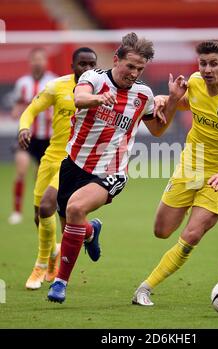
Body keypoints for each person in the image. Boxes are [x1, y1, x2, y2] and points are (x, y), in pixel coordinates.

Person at [46, 32, 183, 303]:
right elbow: (79, 98)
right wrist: (99, 99)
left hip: (111, 171)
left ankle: (60, 283)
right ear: (116, 59)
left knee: (75, 209)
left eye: (140, 69)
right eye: (130, 66)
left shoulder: (143, 95)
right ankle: (91, 230)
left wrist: (175, 100)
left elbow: (157, 130)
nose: (134, 73)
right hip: (74, 166)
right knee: (72, 224)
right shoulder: (93, 79)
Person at [132, 40, 218, 306]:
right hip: (192, 163)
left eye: (214, 63)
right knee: (161, 230)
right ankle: (191, 210)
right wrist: (168, 98)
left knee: (191, 234)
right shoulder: (194, 82)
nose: (207, 69)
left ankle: (145, 288)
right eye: (203, 63)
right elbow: (181, 105)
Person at [18, 47, 98, 290]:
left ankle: (41, 265)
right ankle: (70, 243)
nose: (87, 69)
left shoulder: (103, 91)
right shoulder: (57, 86)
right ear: (72, 66)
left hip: (72, 163)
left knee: (46, 207)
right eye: (82, 64)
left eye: (91, 64)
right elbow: (31, 109)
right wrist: (24, 127)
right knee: (40, 217)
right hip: (49, 158)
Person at [8, 48, 57, 225]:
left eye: (41, 59)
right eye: (34, 59)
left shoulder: (53, 81)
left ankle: (39, 211)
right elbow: (17, 107)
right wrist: (17, 113)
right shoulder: (23, 83)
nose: (38, 62)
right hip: (26, 135)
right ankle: (16, 212)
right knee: (21, 171)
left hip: (47, 137)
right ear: (30, 62)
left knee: (39, 178)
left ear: (46, 61)